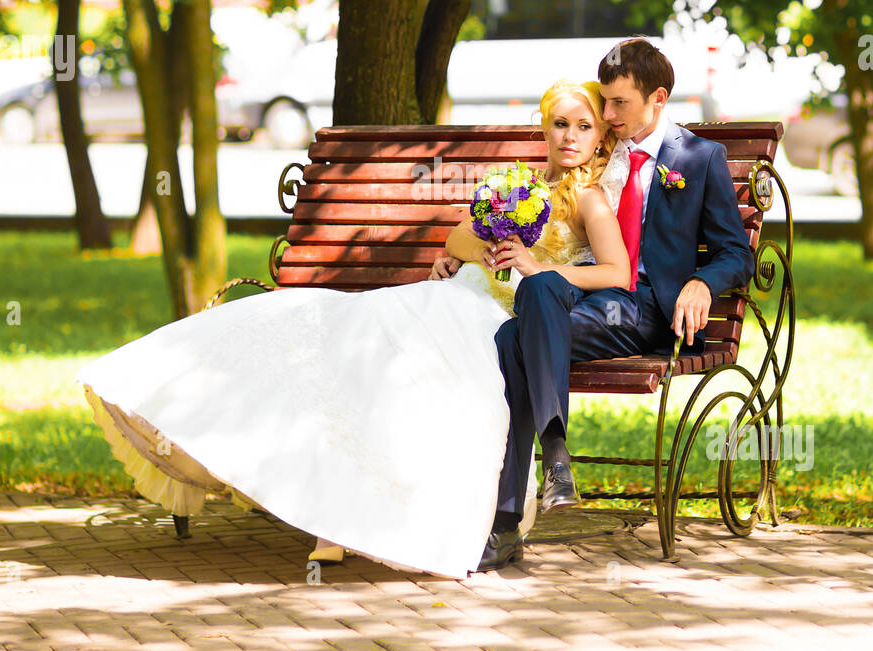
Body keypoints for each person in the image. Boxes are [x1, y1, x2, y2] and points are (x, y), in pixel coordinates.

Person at [74, 79, 621, 580]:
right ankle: (325, 507)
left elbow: (615, 272)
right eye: (559, 124)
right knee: (337, 327)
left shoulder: (590, 200)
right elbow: (457, 238)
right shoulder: (518, 184)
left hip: (501, 320)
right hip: (453, 294)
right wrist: (480, 250)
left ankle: (340, 520)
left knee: (398, 364)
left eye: (583, 126)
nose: (569, 136)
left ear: (599, 138)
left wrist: (539, 267)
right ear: (543, 129)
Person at [432, 38, 756, 570]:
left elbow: (734, 253)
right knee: (530, 304)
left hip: (645, 308)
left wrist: (701, 283)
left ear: (658, 98)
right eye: (602, 103)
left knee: (515, 338)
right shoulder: (595, 156)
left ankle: (508, 521)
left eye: (618, 105)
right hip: (580, 297)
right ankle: (555, 458)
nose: (606, 116)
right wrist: (466, 251)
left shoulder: (697, 159)